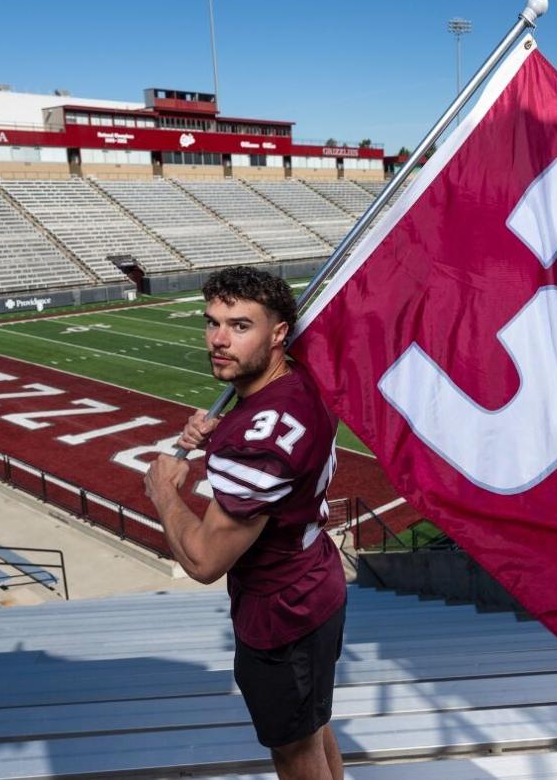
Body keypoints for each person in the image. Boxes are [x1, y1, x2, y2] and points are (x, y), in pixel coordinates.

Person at [144, 266, 346, 780]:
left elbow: (205, 561)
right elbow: (277, 429)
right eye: (212, 323)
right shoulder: (305, 378)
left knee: (295, 753)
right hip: (316, 579)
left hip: (281, 610)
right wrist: (221, 433)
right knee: (315, 724)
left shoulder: (256, 443)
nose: (217, 340)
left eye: (239, 326)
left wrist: (165, 493)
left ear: (278, 333)